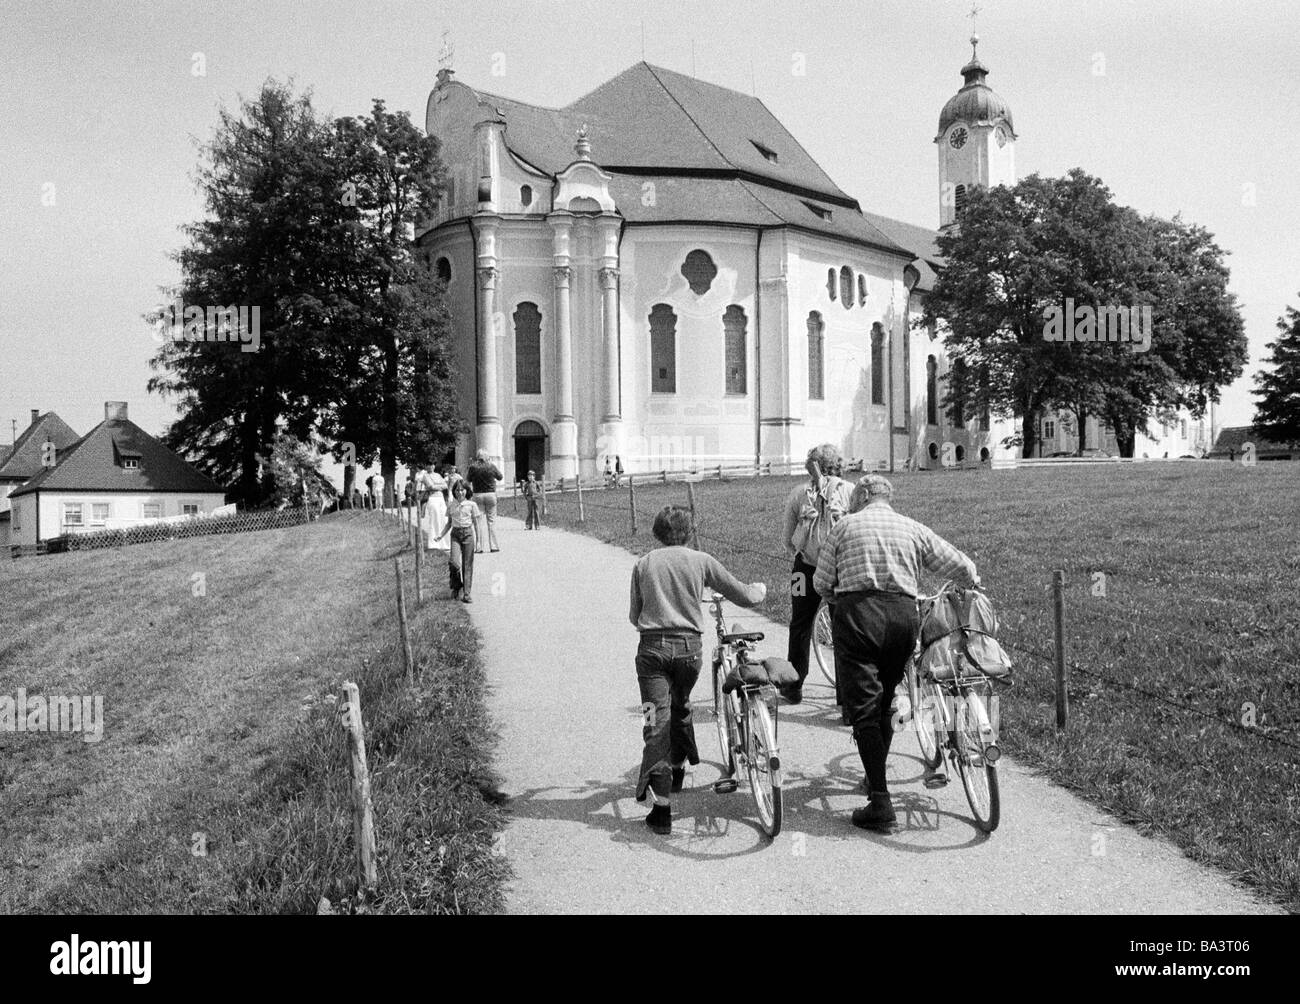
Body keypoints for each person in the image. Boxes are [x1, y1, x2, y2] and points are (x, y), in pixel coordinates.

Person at [813, 474, 979, 833]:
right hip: (903, 618)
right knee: (887, 698)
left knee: (863, 708)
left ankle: (881, 800)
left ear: (860, 498)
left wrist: (837, 601)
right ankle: (876, 783)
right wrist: (972, 578)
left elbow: (821, 581)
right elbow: (957, 564)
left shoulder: (845, 527)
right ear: (888, 498)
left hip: (859, 616)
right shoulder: (912, 528)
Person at [629, 506, 767, 835]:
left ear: (657, 533)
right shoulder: (701, 560)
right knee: (681, 702)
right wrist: (759, 590)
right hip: (690, 652)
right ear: (689, 532)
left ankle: (661, 807)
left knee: (653, 718)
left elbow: (635, 616)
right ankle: (677, 764)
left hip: (651, 651)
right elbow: (744, 595)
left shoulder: (644, 563)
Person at [781, 444, 852, 705]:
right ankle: (845, 696)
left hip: (804, 568)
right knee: (842, 629)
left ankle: (793, 685)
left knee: (799, 623)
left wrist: (804, 528)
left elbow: (788, 543)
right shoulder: (850, 492)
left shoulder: (798, 493)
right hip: (839, 570)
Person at [434, 480, 479, 603]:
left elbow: (476, 524)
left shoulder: (472, 505)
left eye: (462, 490)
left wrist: (479, 541)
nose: (459, 492)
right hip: (455, 535)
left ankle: (466, 594)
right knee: (454, 563)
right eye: (457, 490)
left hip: (468, 535)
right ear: (454, 491)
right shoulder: (451, 505)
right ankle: (456, 585)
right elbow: (449, 523)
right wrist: (440, 535)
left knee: (467, 565)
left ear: (466, 491)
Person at [467, 449, 502, 553]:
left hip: (477, 495)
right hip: (490, 494)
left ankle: (479, 547)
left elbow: (468, 479)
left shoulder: (473, 467)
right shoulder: (491, 466)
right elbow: (500, 477)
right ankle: (494, 546)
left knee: (478, 522)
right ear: (487, 457)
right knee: (491, 521)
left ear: (477, 457)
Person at [418, 463, 449, 552]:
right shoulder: (425, 476)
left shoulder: (438, 475)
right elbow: (430, 486)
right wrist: (439, 486)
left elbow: (445, 485)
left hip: (441, 498)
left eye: (432, 465)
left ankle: (445, 543)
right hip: (433, 498)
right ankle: (434, 544)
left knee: (444, 519)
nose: (431, 467)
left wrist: (437, 486)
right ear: (426, 466)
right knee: (435, 520)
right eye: (428, 465)